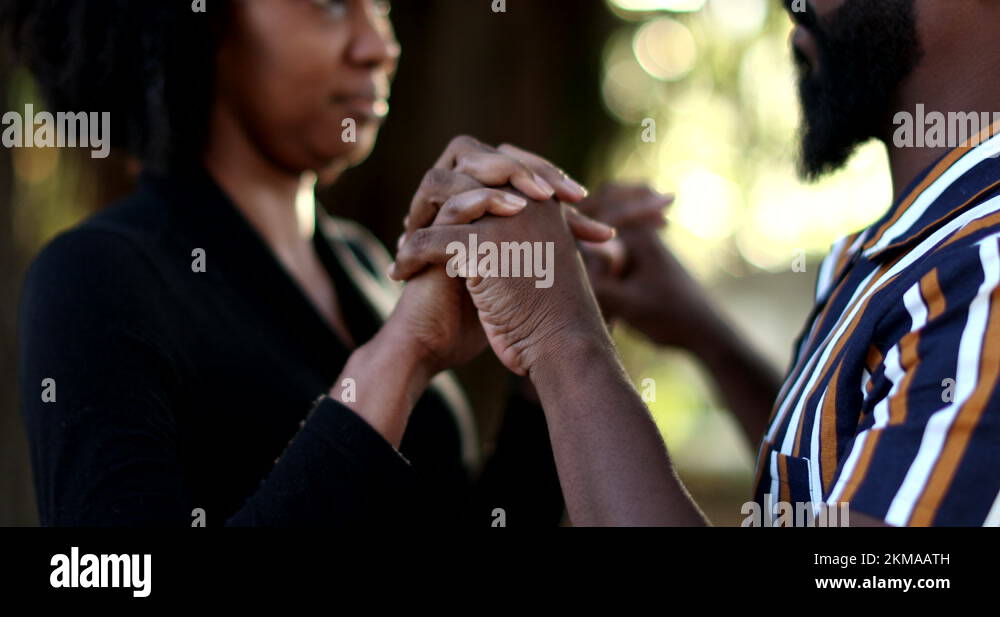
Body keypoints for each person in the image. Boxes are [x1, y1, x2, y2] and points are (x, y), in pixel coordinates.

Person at [11, 0, 637, 526]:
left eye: (382, 4)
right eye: (332, 3)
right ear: (202, 21)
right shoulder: (95, 277)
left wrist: (551, 342)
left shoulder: (370, 266)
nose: (379, 45)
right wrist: (403, 355)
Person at [393, 0, 1000, 526]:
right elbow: (860, 479)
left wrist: (560, 337)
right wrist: (709, 339)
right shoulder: (930, 254)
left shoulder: (984, 275)